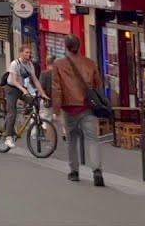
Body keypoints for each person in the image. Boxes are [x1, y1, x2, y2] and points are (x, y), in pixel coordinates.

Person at [51, 34, 104, 186]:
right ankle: (97, 171)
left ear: (65, 47)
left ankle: (74, 171)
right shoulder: (90, 63)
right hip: (88, 107)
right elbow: (98, 85)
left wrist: (56, 110)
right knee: (93, 140)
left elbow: (57, 88)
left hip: (69, 108)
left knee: (71, 140)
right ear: (79, 46)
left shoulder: (58, 64)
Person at [3, 44, 44, 150]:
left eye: (30, 52)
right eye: (26, 52)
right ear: (21, 53)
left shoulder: (30, 65)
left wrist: (42, 93)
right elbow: (13, 80)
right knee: (12, 112)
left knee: (34, 102)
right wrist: (24, 90)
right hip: (12, 88)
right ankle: (8, 137)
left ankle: (35, 125)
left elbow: (35, 80)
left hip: (21, 88)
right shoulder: (15, 64)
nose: (29, 54)